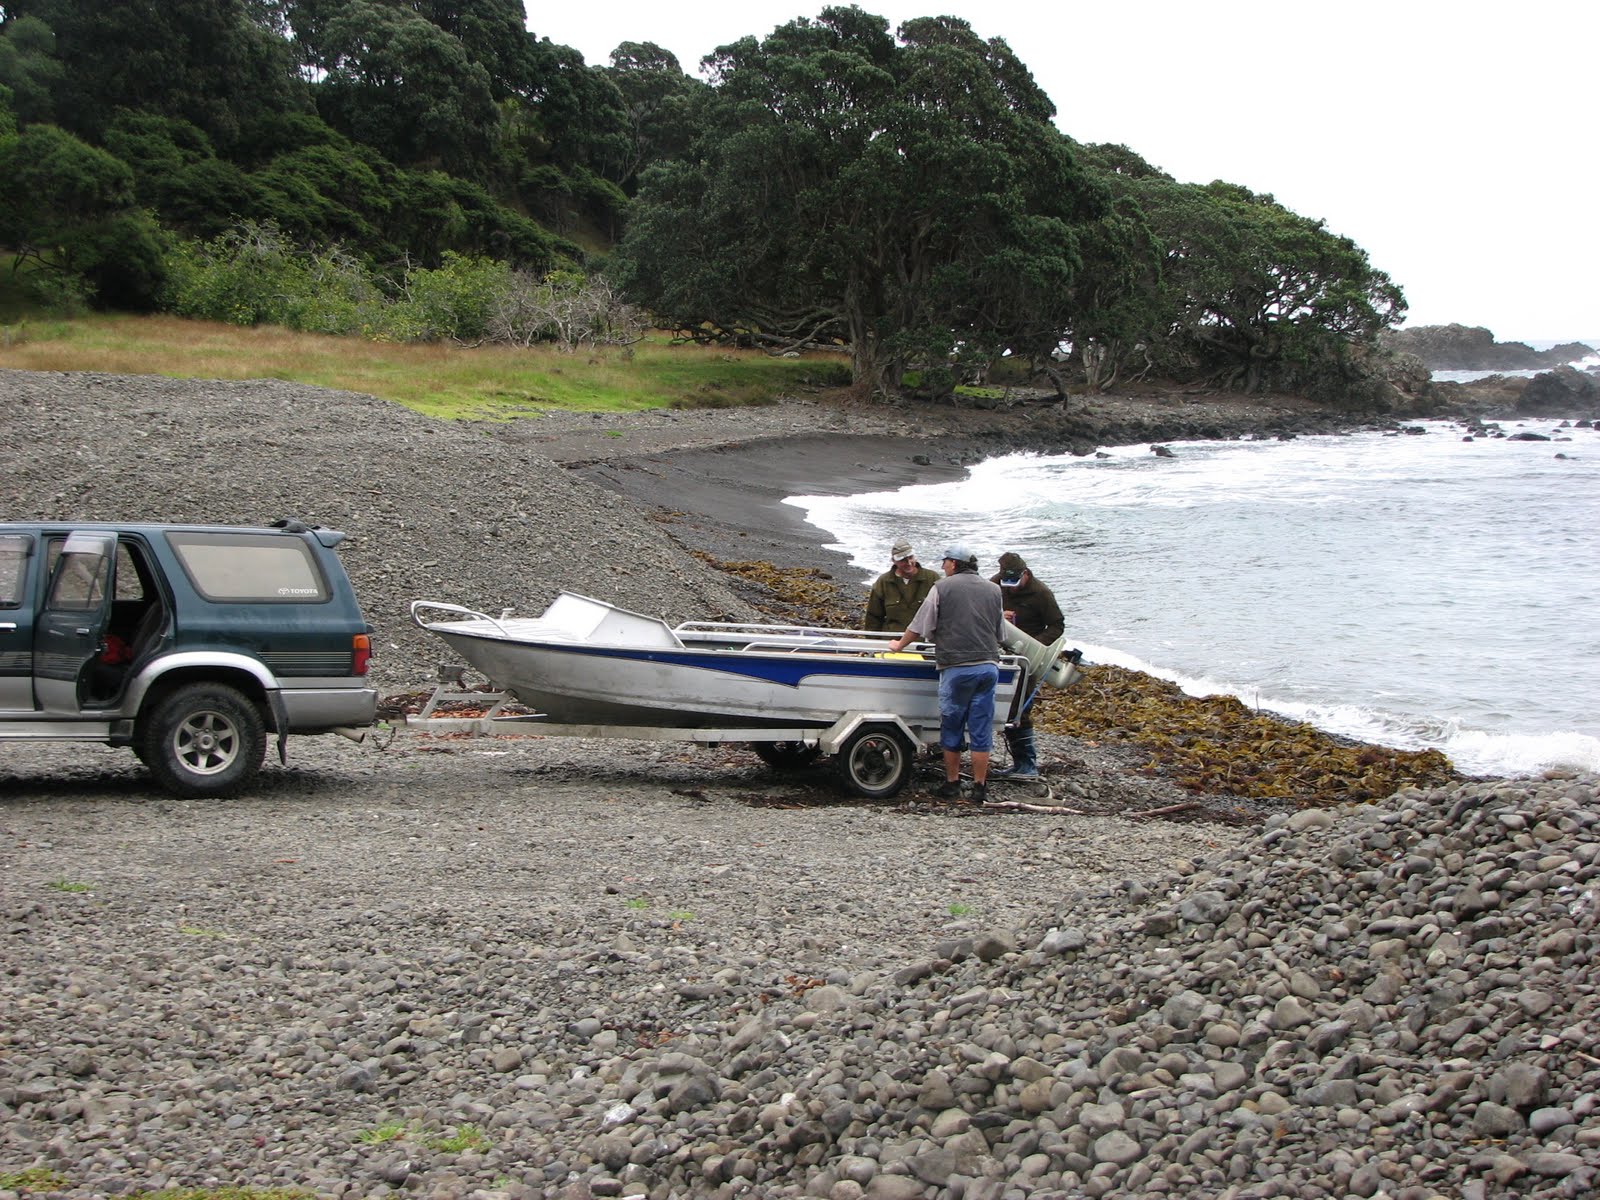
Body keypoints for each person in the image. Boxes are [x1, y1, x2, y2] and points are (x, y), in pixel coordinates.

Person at [887, 544, 1005, 803]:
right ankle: (980, 788)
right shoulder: (994, 589)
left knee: (952, 725)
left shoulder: (941, 587)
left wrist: (899, 645)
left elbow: (920, 624)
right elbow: (1000, 632)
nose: (942, 566)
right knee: (981, 728)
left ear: (954, 563)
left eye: (945, 562)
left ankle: (952, 784)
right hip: (988, 667)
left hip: (957, 667)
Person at [989, 552, 1064, 779]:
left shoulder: (1041, 593)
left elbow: (1057, 625)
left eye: (1014, 582)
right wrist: (999, 616)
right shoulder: (994, 585)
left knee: (1019, 709)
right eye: (1007, 583)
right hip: (999, 654)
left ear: (1025, 574)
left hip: (1027, 658)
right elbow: (981, 611)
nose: (1010, 588)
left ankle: (1026, 764)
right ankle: (1015, 762)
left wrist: (1034, 645)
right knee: (998, 705)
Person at [863, 538, 939, 633]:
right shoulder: (883, 582)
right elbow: (873, 617)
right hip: (891, 638)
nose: (909, 563)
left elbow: (944, 612)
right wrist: (873, 639)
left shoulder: (932, 578)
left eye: (910, 557)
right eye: (903, 560)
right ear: (893, 561)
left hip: (923, 639)